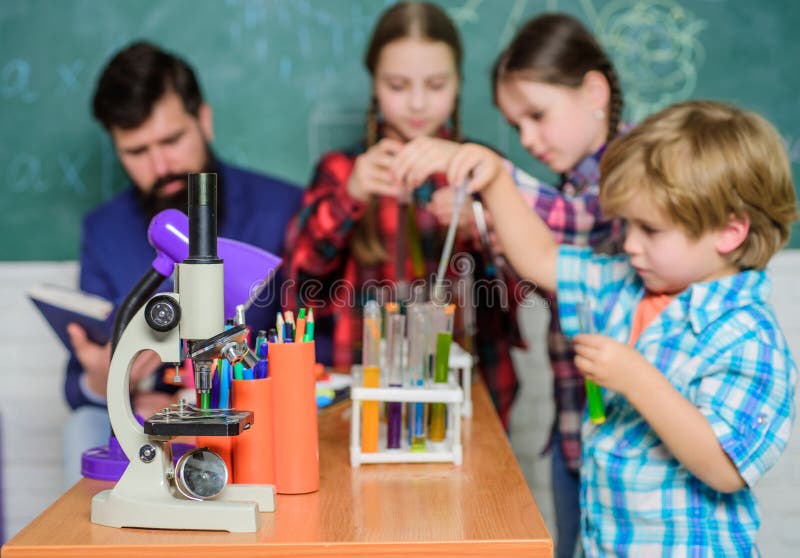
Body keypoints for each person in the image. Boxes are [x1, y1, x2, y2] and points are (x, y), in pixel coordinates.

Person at [409, 100, 797, 556]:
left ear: (729, 233)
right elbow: (541, 259)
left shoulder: (747, 335)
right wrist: (494, 179)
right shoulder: (625, 285)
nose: (629, 243)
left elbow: (725, 468)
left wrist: (635, 377)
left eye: (650, 230)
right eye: (628, 225)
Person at [394, 13, 626, 556]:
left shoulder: (633, 168)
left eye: (538, 116)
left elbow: (582, 222)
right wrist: (485, 218)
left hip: (623, 449)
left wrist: (490, 173)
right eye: (515, 127)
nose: (529, 139)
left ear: (594, 91)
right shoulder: (572, 179)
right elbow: (546, 272)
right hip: (577, 434)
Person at [62, 41, 302, 487]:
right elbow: (76, 380)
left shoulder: (282, 208)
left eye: (172, 140)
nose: (161, 165)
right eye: (137, 151)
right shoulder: (104, 231)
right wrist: (108, 380)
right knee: (82, 427)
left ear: (203, 120)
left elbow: (316, 349)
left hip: (253, 416)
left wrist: (201, 399)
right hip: (149, 423)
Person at [284, 0, 523, 424]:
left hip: (469, 396)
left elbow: (523, 296)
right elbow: (299, 285)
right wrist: (349, 196)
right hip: (363, 393)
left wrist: (480, 227)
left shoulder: (485, 170)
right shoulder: (341, 170)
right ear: (374, 84)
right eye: (398, 85)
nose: (417, 103)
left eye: (435, 85)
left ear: (458, 84)